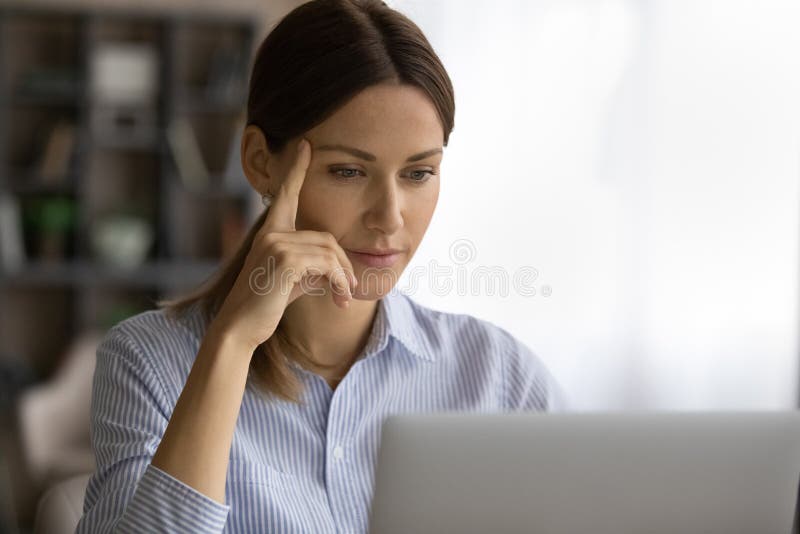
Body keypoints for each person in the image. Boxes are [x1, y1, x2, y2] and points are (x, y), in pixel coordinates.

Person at [75, 0, 568, 532]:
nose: (389, 217)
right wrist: (233, 344)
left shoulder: (500, 377)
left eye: (419, 173)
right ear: (260, 161)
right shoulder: (148, 363)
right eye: (349, 171)